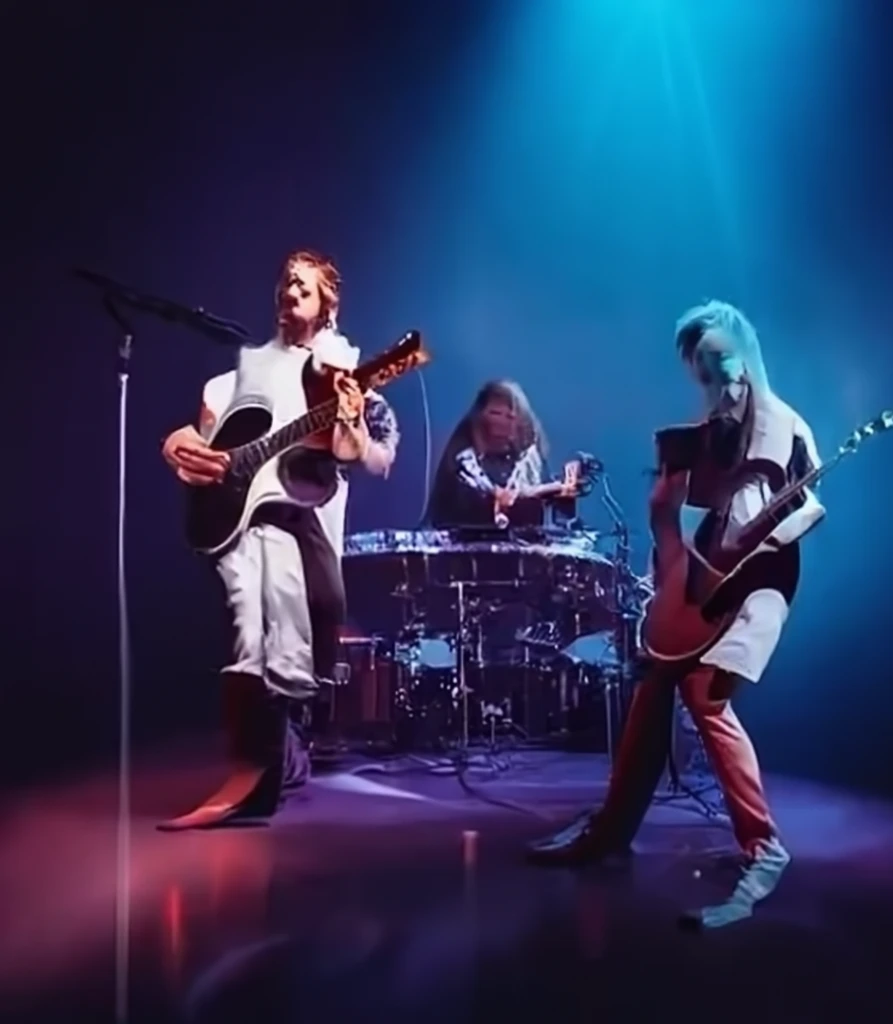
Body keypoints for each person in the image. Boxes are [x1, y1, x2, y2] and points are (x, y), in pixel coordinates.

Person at [526, 300, 825, 929]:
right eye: (705, 374)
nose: (719, 384)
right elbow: (687, 539)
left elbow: (763, 519)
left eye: (722, 364)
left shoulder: (775, 423)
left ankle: (763, 846)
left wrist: (733, 528)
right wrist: (664, 512)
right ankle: (612, 828)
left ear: (745, 351)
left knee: (709, 696)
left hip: (760, 582)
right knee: (657, 683)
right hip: (704, 578)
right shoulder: (711, 427)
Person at [158, 249, 399, 830]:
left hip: (311, 525)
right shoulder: (233, 380)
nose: (290, 288)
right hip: (242, 528)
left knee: (306, 629)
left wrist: (352, 431)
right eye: (285, 281)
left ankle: (278, 754)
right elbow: (205, 437)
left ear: (327, 308)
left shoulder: (348, 380)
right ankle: (257, 775)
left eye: (305, 285)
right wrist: (176, 444)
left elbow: (377, 458)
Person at [424, 379, 579, 529]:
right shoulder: (463, 461)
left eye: (510, 416)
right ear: (480, 417)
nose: (503, 423)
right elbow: (454, 512)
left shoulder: (531, 461)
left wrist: (564, 492)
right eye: (496, 413)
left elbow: (549, 512)